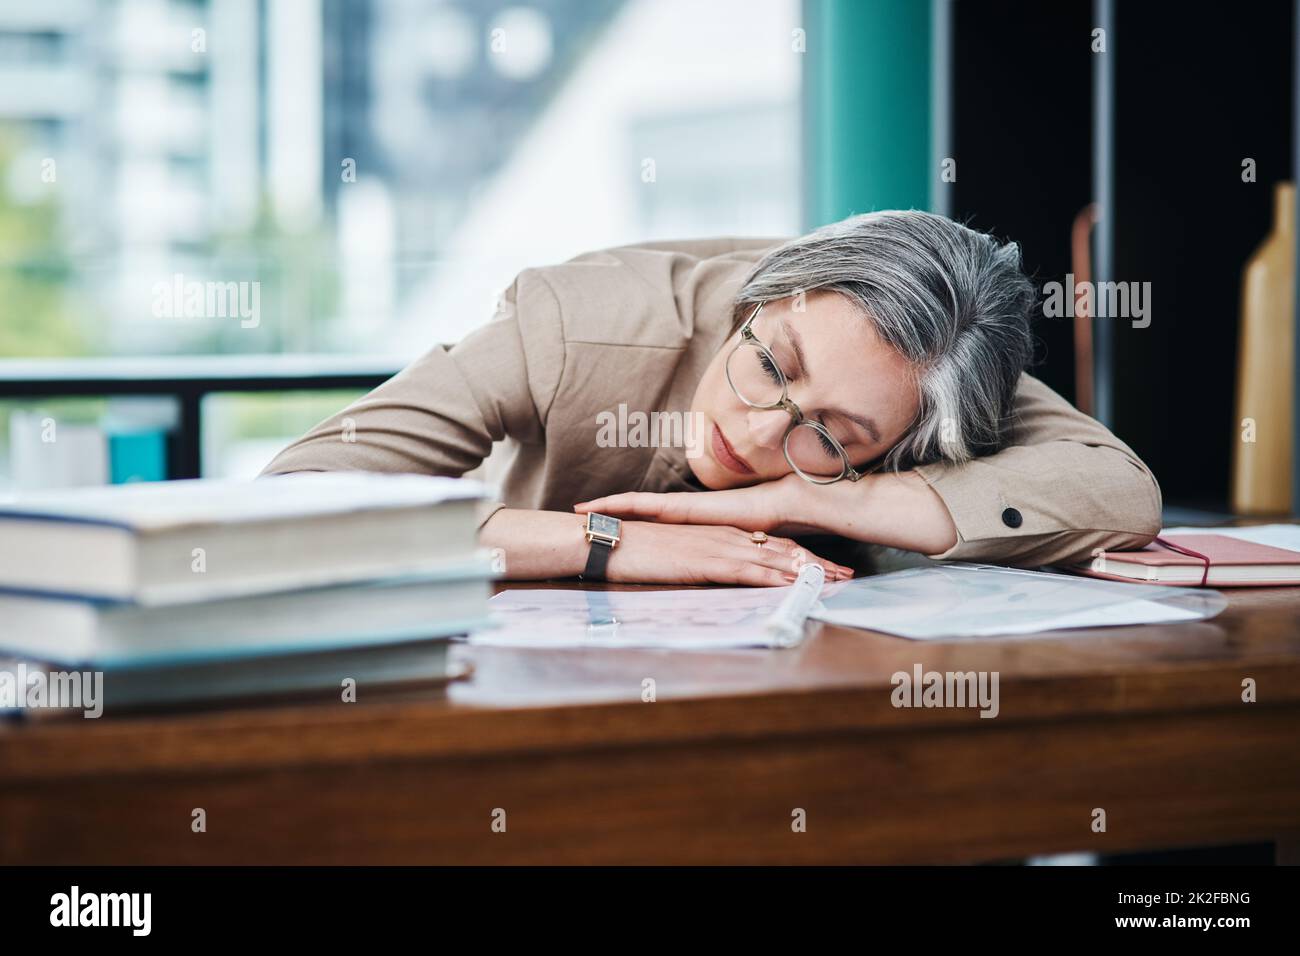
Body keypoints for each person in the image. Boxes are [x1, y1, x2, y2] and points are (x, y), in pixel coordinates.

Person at [263, 210, 1161, 585]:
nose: (759, 429)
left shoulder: (938, 364)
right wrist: (609, 544)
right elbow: (295, 501)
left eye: (831, 434)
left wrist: (805, 496)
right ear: (761, 302)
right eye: (771, 365)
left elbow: (1122, 489)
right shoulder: (578, 323)